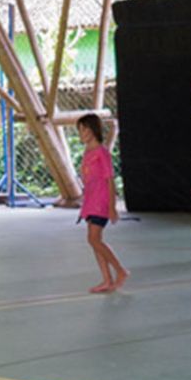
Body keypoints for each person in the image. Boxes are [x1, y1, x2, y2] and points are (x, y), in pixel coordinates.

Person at [76, 113, 128, 293]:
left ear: (93, 130)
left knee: (93, 238)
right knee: (95, 240)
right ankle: (107, 279)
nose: (81, 133)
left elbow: (109, 180)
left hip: (101, 201)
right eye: (80, 130)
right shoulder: (88, 152)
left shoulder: (101, 153)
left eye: (84, 129)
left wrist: (112, 206)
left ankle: (120, 270)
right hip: (90, 201)